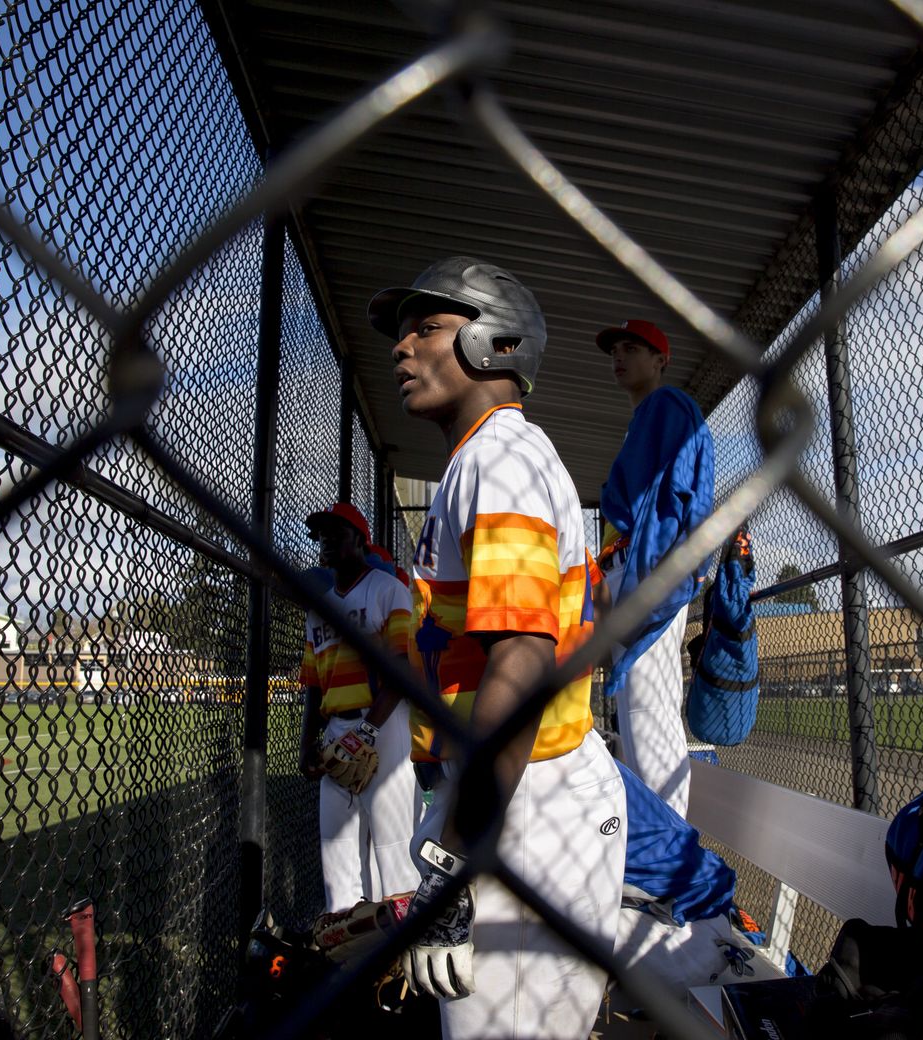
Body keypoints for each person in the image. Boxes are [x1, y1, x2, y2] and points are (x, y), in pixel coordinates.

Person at [368, 257, 627, 1040]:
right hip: (514, 794)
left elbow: (522, 656)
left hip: (528, 804)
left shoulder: (499, 457)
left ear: (494, 343)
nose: (400, 348)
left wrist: (452, 860)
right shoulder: (479, 459)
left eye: (428, 327)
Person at [595, 319, 714, 819]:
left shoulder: (667, 406)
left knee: (649, 720)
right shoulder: (644, 418)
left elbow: (683, 505)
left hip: (645, 576)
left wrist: (658, 582)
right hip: (631, 575)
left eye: (633, 347)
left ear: (661, 359)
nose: (620, 355)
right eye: (616, 349)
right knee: (639, 718)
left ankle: (668, 872)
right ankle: (659, 861)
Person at [298, 501, 424, 913]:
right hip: (337, 731)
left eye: (336, 533)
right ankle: (347, 952)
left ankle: (403, 960)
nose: (326, 541)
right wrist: (308, 742)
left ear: (360, 540)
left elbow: (401, 672)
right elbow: (314, 684)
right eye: (321, 535)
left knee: (392, 848)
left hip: (383, 727)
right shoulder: (318, 609)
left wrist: (368, 732)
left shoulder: (388, 591)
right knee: (336, 853)